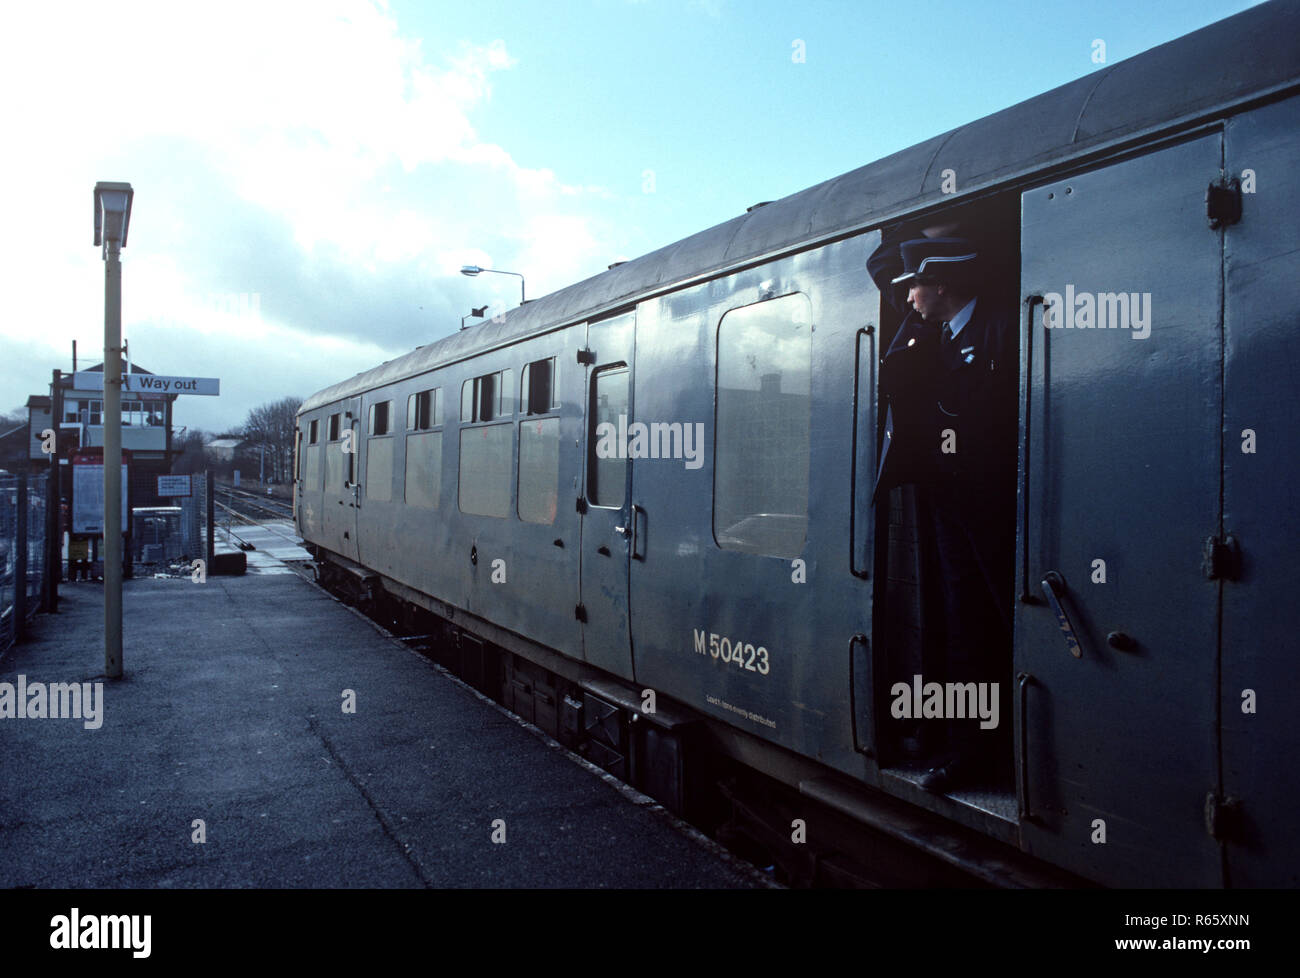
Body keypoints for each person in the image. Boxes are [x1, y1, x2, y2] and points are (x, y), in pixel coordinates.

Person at [868, 232, 1018, 793]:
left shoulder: (1003, 328)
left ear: (942, 285)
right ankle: (974, 752)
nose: (906, 297)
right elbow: (884, 267)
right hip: (948, 505)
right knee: (965, 630)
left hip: (995, 509)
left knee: (1002, 624)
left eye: (914, 287)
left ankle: (1013, 752)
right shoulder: (927, 331)